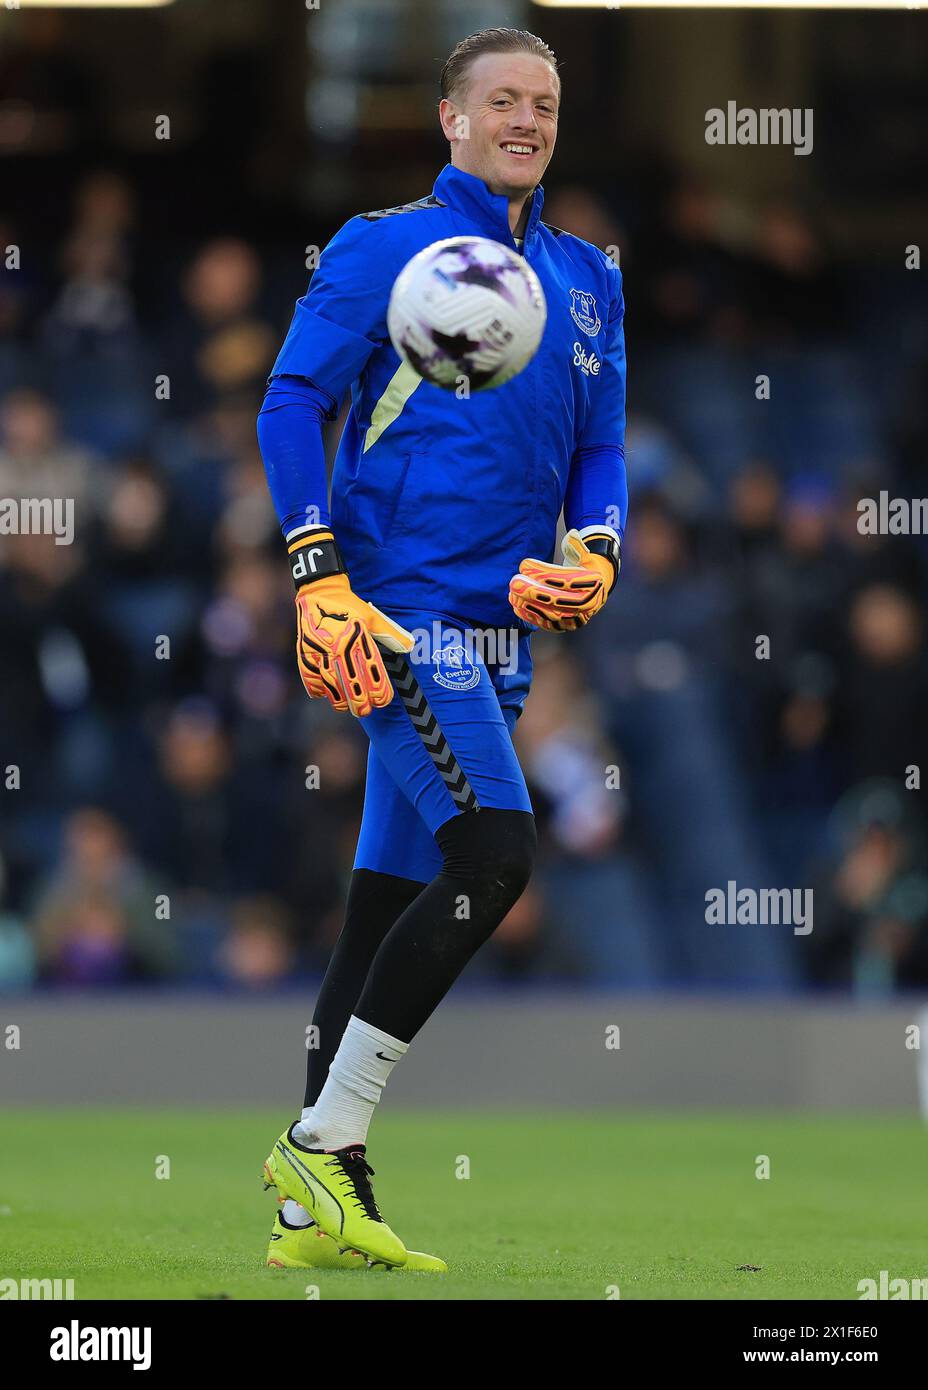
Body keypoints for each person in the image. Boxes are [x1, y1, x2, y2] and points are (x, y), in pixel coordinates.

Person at [256, 26, 628, 1272]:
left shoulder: (588, 279)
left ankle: (309, 1213)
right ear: (451, 118)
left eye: (547, 103)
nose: (528, 119)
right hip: (399, 619)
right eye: (504, 100)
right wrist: (313, 570)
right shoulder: (380, 246)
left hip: (504, 636)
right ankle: (324, 1137)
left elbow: (599, 453)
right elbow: (292, 400)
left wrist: (601, 552)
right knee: (497, 851)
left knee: (381, 912)